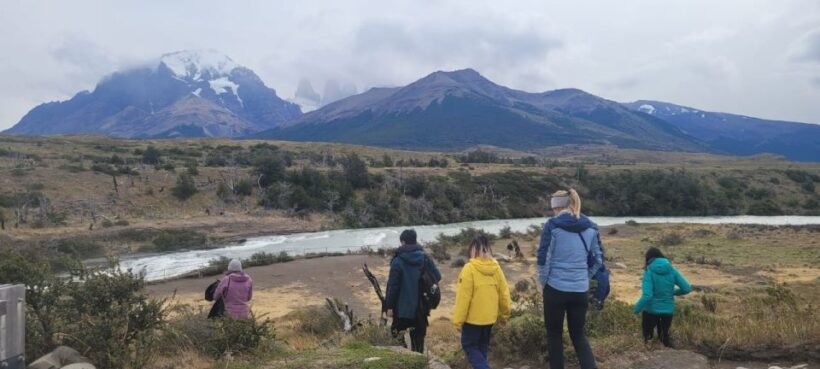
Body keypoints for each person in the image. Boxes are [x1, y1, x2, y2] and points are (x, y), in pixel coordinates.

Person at [537, 189, 602, 369]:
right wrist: (584, 277)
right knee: (579, 335)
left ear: (557, 206)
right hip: (580, 289)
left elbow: (543, 258)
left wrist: (544, 282)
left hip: (555, 288)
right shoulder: (591, 226)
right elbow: (598, 259)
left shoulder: (552, 225)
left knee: (554, 335)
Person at [453, 236, 512, 369]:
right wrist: (504, 316)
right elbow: (504, 295)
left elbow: (463, 298)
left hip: (472, 321)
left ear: (473, 250)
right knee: (482, 349)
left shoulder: (469, 268)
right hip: (489, 319)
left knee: (470, 346)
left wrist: (458, 321)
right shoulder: (496, 268)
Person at [385, 229, 441, 353]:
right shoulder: (425, 258)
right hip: (421, 309)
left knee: (397, 342)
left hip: (401, 311)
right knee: (418, 345)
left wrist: (389, 306)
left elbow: (393, 287)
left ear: (403, 242)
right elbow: (437, 277)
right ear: (415, 240)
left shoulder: (397, 261)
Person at [633, 247, 692, 347]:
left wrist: (635, 310)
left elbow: (647, 295)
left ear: (648, 259)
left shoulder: (649, 271)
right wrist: (672, 292)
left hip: (650, 311)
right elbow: (686, 288)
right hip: (668, 311)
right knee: (665, 339)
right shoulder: (672, 270)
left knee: (647, 340)